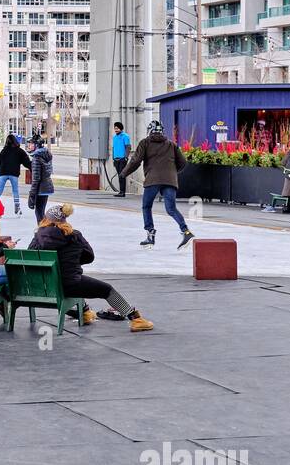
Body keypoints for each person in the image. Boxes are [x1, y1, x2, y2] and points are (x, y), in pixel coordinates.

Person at [29, 203, 153, 331]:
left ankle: (85, 312)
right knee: (106, 289)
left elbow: (30, 258)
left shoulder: (37, 238)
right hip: (69, 286)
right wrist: (73, 261)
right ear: (64, 219)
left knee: (75, 280)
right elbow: (89, 256)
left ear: (46, 219)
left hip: (43, 287)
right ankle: (135, 319)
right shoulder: (74, 235)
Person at [121, 119, 194, 249]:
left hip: (152, 180)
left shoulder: (145, 143)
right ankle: (186, 231)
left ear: (149, 131)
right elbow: (183, 162)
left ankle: (150, 234)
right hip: (170, 181)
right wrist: (171, 172)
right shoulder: (171, 144)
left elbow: (136, 161)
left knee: (146, 206)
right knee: (171, 208)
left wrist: (124, 173)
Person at [0, 133, 30, 215]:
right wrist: (32, 167)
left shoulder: (3, 151)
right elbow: (26, 162)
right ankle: (17, 206)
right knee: (15, 190)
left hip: (3, 173)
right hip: (13, 173)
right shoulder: (19, 151)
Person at [27, 134, 54, 223]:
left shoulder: (36, 158)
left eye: (31, 144)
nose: (29, 146)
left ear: (37, 145)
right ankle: (44, 232)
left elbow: (36, 179)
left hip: (40, 188)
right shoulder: (46, 155)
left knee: (39, 213)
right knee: (41, 211)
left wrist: (31, 195)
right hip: (47, 187)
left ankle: (43, 233)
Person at [111, 122, 131, 198]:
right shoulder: (114, 137)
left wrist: (126, 157)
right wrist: (113, 158)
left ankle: (122, 192)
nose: (116, 130)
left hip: (122, 159)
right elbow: (113, 148)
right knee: (119, 176)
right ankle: (121, 191)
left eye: (117, 128)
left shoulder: (125, 136)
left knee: (122, 175)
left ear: (121, 128)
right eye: (115, 128)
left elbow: (128, 147)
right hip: (116, 159)